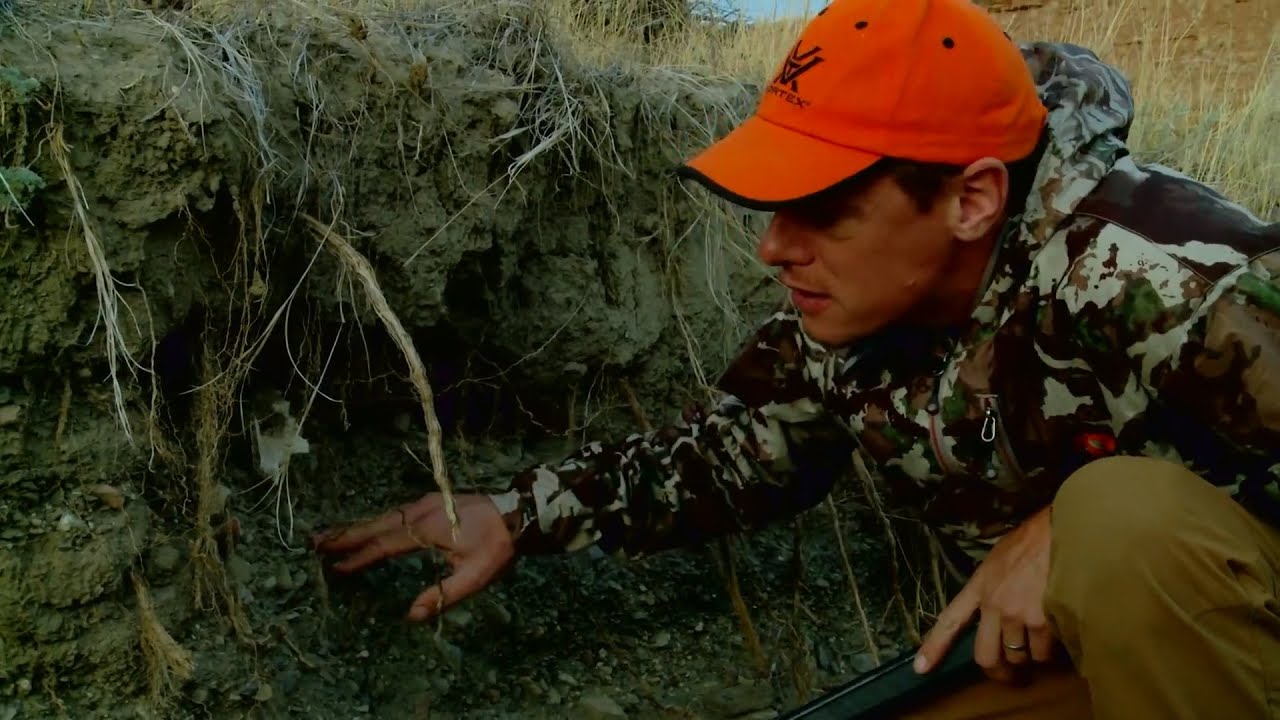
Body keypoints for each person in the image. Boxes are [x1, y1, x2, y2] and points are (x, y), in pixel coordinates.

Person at [313, 0, 1280, 716]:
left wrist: (1077, 527)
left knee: (1123, 519)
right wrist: (516, 515)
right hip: (1076, 650)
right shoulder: (854, 319)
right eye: (776, 205)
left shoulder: (1167, 276)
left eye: (824, 208)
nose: (774, 247)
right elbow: (734, 455)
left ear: (972, 200)